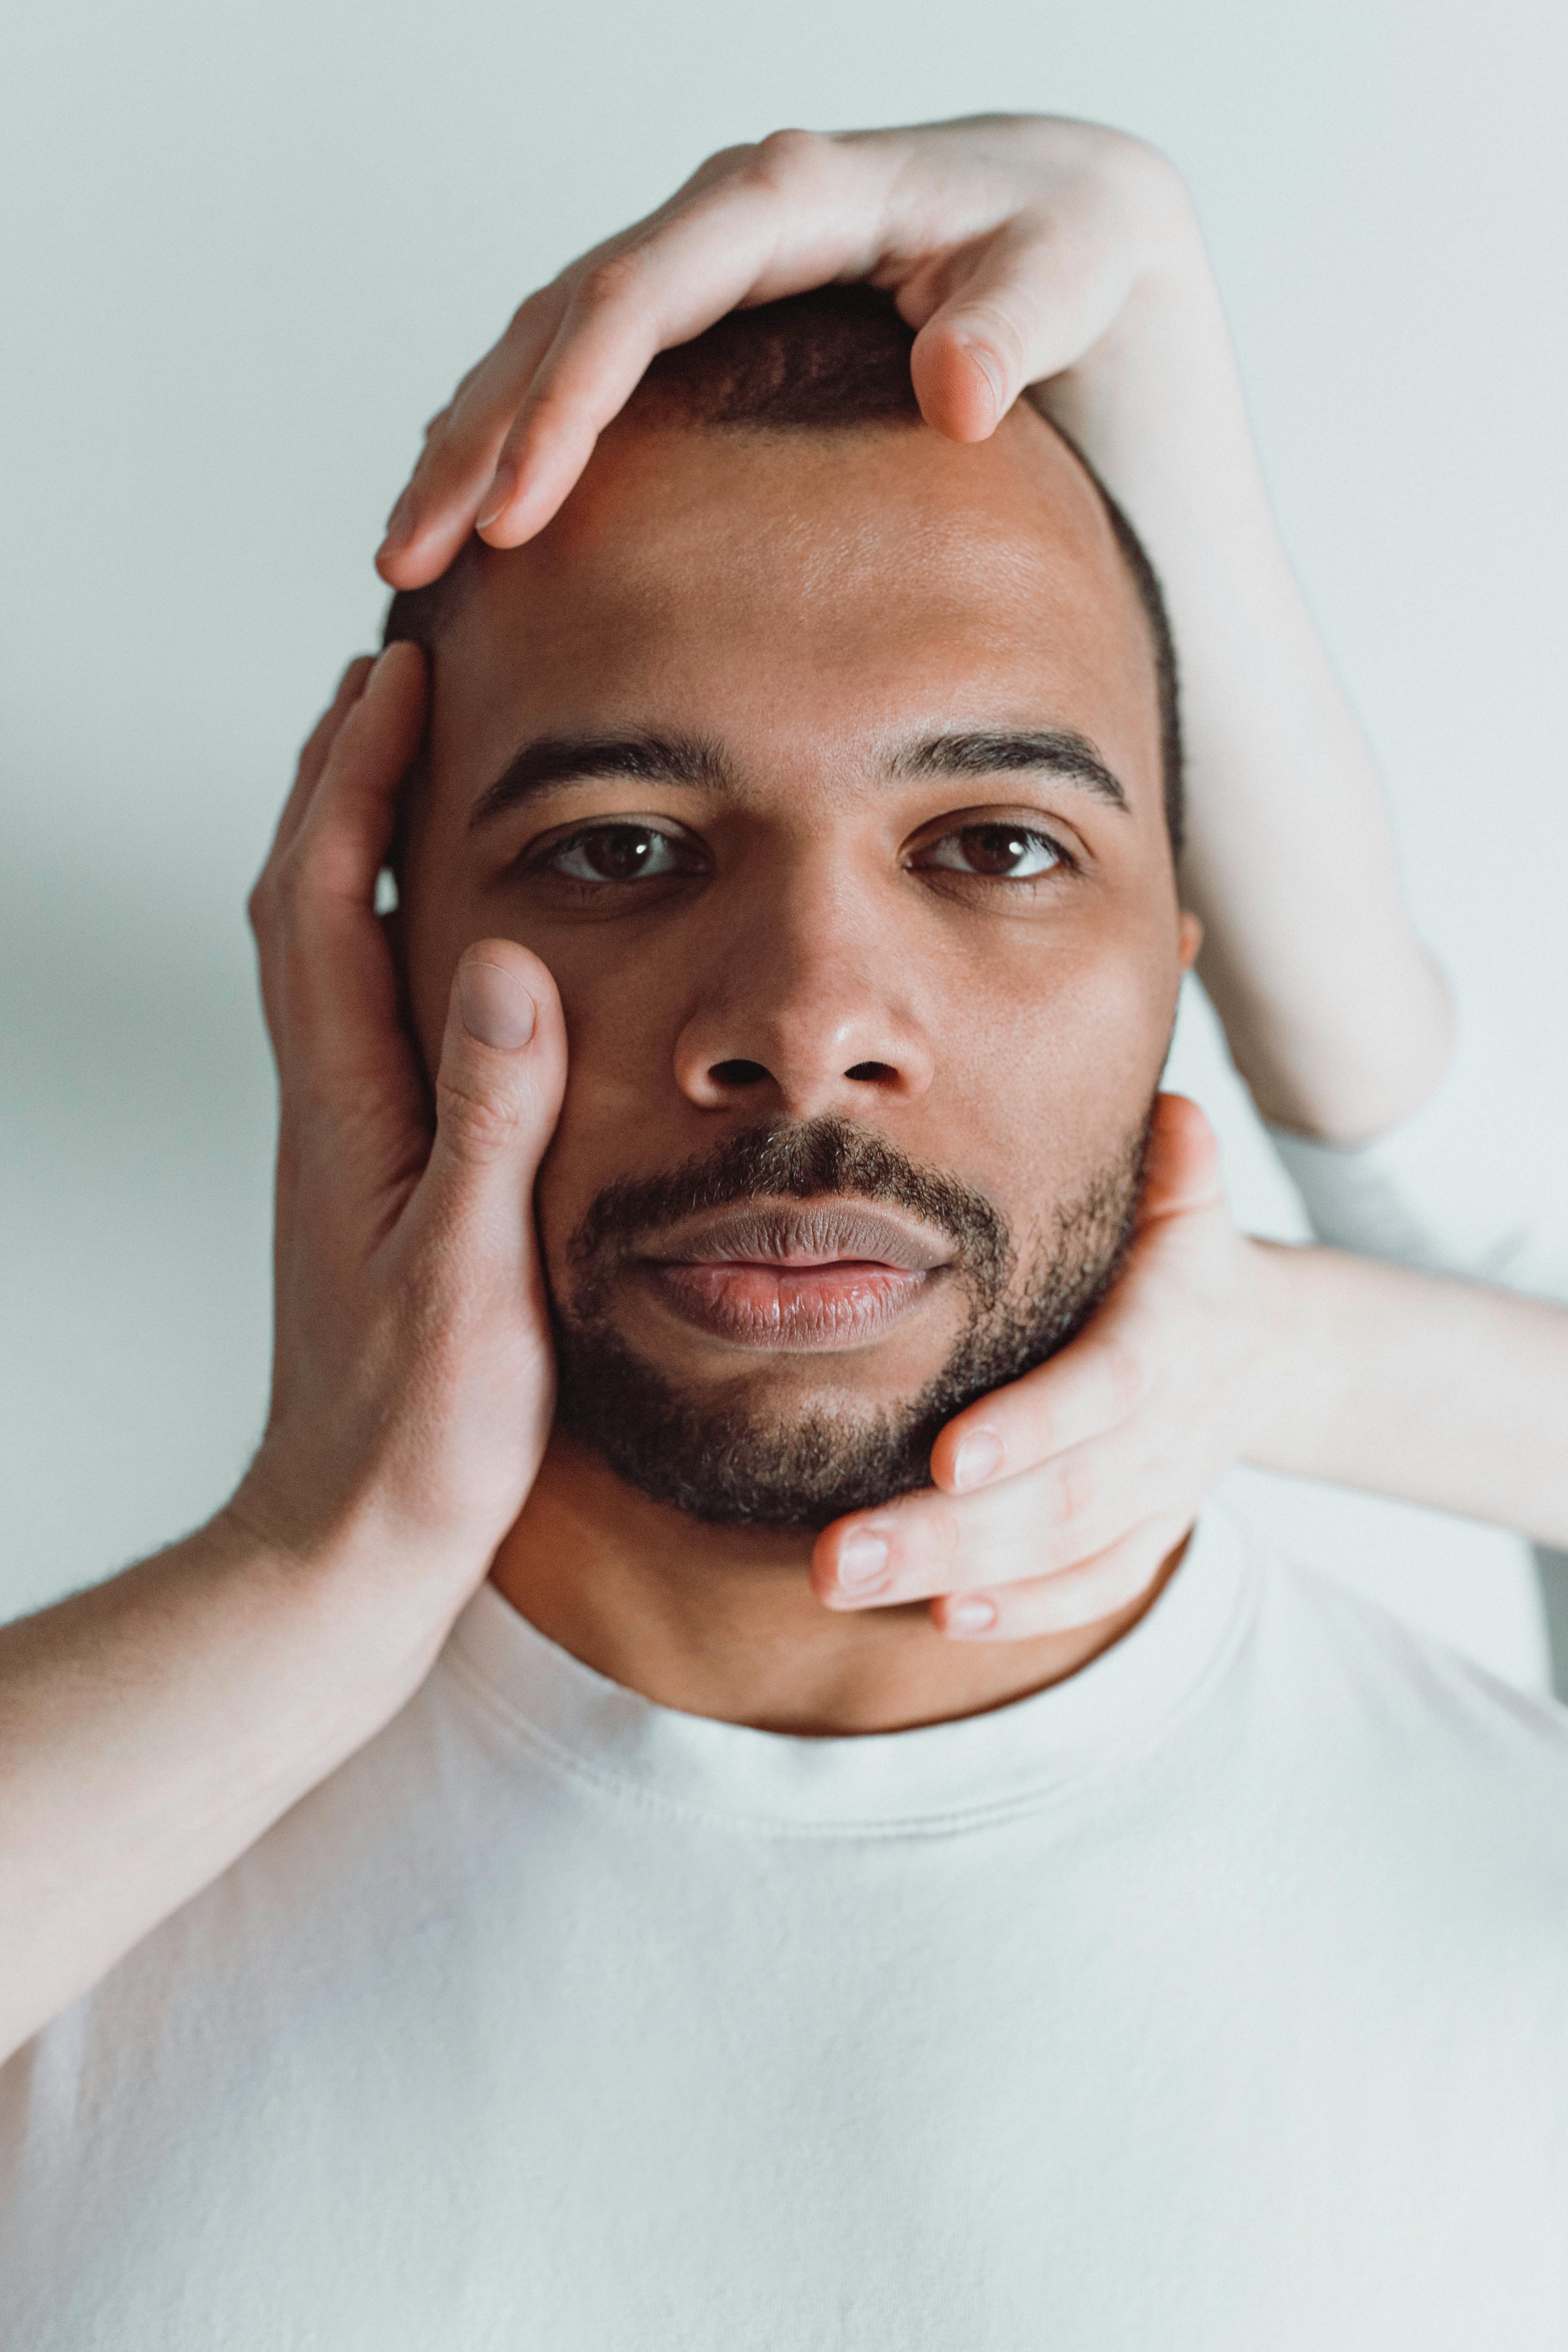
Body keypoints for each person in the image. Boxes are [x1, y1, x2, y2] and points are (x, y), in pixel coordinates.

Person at [4, 117, 1568, 2350]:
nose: (811, 1026)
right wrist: (314, 1568)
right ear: (368, 957)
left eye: (998, 849)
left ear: (1174, 957)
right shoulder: (87, 1876)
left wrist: (1313, 1344)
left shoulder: (1516, 1907)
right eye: (623, 852)